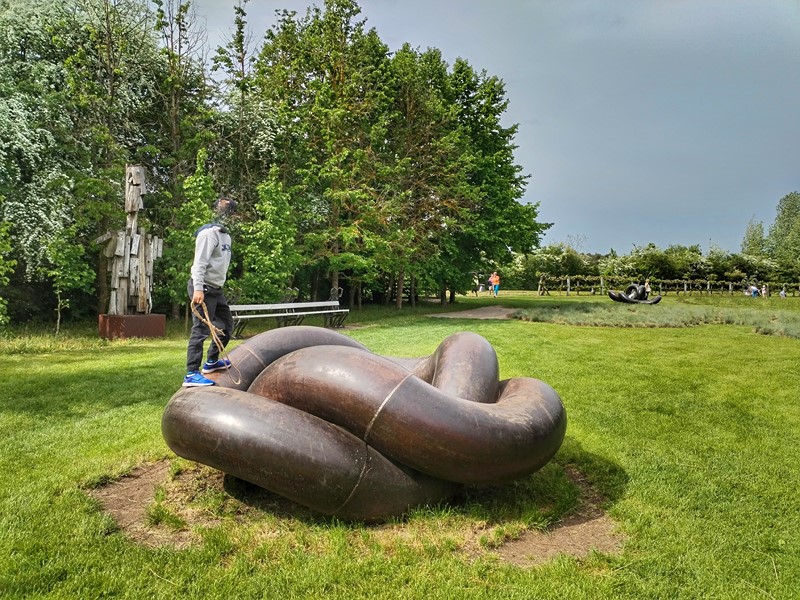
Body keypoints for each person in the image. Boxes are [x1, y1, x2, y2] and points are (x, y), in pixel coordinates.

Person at [183, 197, 237, 387]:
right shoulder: (208, 234)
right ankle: (191, 374)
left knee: (226, 326)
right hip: (203, 288)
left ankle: (211, 362)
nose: (229, 217)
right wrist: (198, 288)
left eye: (230, 212)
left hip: (216, 289)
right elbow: (200, 263)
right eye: (224, 212)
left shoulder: (226, 236)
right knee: (200, 331)